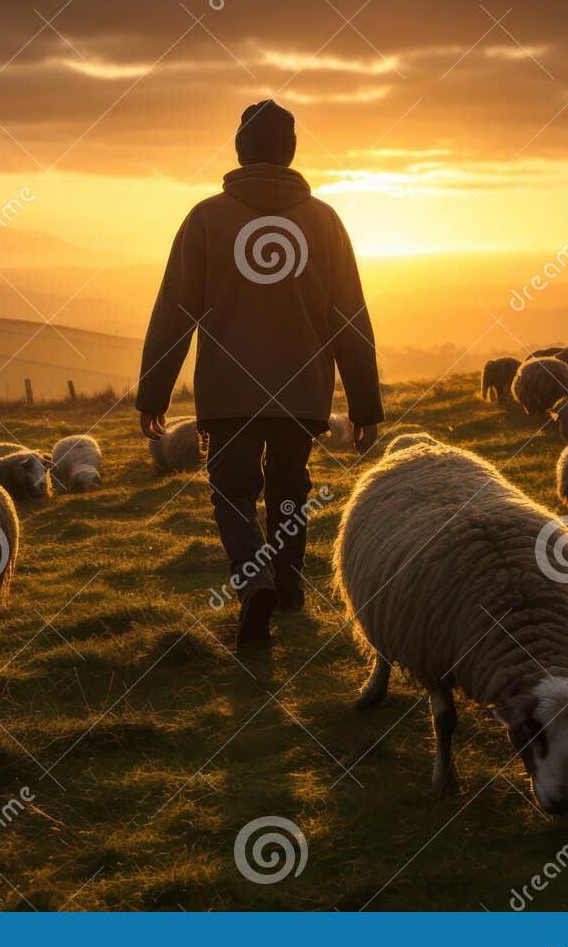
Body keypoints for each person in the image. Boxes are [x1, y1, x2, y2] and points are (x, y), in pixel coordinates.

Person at [136, 100, 383, 646]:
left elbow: (174, 311)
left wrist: (153, 393)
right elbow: (350, 317)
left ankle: (254, 585)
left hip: (229, 393)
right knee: (290, 487)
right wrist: (364, 406)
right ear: (290, 151)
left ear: (239, 150)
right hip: (302, 392)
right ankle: (288, 588)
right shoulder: (324, 221)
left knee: (233, 493)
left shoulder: (205, 219)